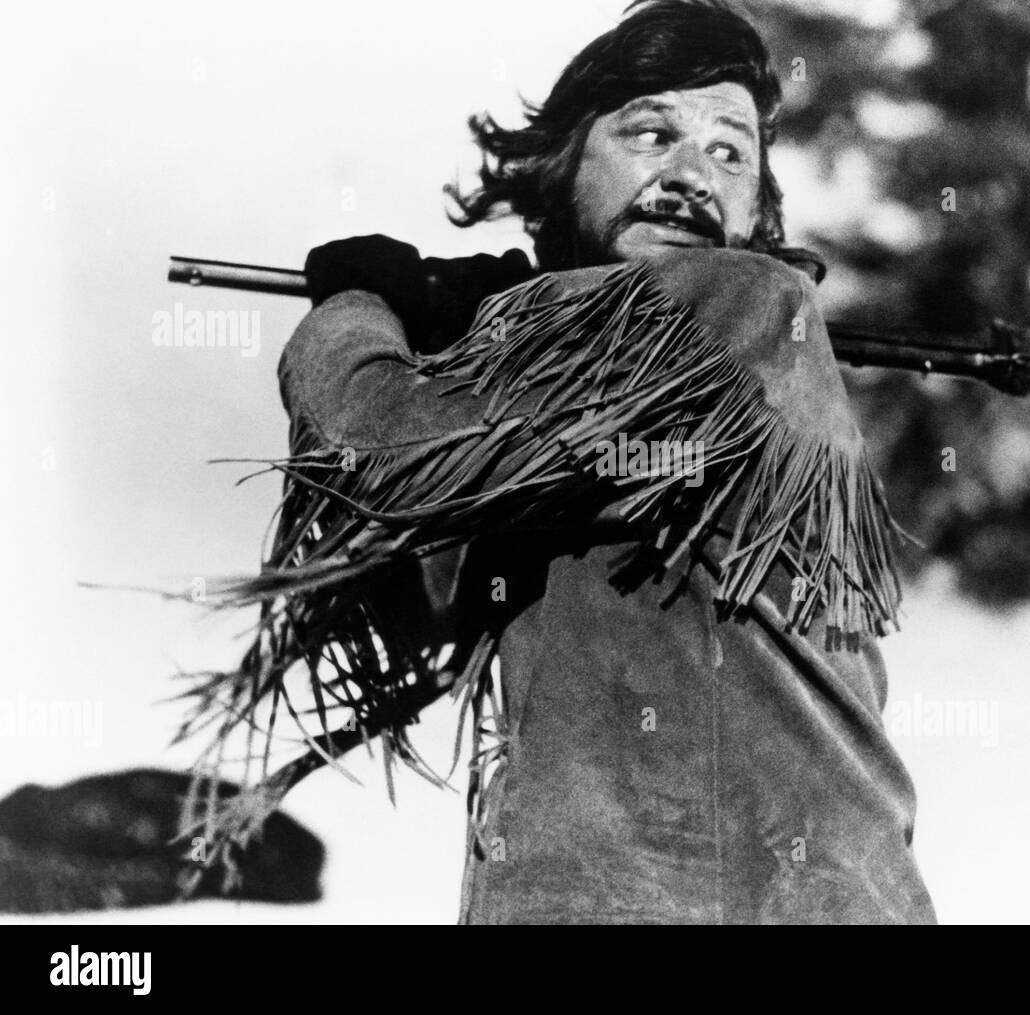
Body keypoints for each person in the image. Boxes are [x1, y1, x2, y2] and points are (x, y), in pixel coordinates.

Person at [210, 0, 936, 924]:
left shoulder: (740, 297)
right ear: (560, 168)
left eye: (729, 153)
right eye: (651, 132)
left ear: (758, 207)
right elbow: (411, 592)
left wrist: (359, 309)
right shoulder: (575, 376)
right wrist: (468, 334)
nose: (689, 176)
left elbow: (386, 453)